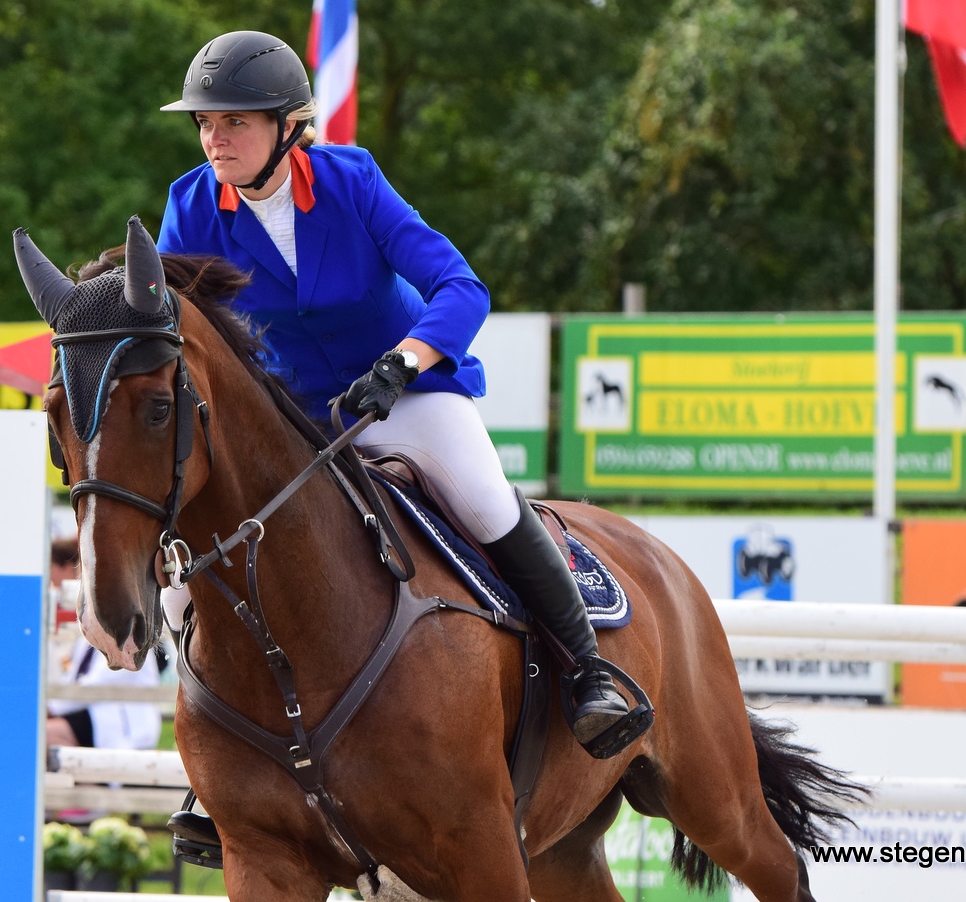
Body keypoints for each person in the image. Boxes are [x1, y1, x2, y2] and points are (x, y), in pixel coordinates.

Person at [155, 31, 644, 756]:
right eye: (204, 122)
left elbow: (461, 287)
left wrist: (403, 363)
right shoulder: (190, 204)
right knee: (182, 568)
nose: (214, 139)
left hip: (404, 391)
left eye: (234, 121)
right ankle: (221, 746)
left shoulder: (351, 181)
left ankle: (589, 674)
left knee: (485, 499)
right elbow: (174, 325)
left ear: (288, 126)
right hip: (294, 418)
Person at [45, 540, 163, 752]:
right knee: (43, 737)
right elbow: (75, 680)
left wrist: (51, 707)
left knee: (42, 735)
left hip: (120, 725)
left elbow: (100, 681)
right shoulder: (89, 631)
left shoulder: (128, 626)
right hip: (93, 715)